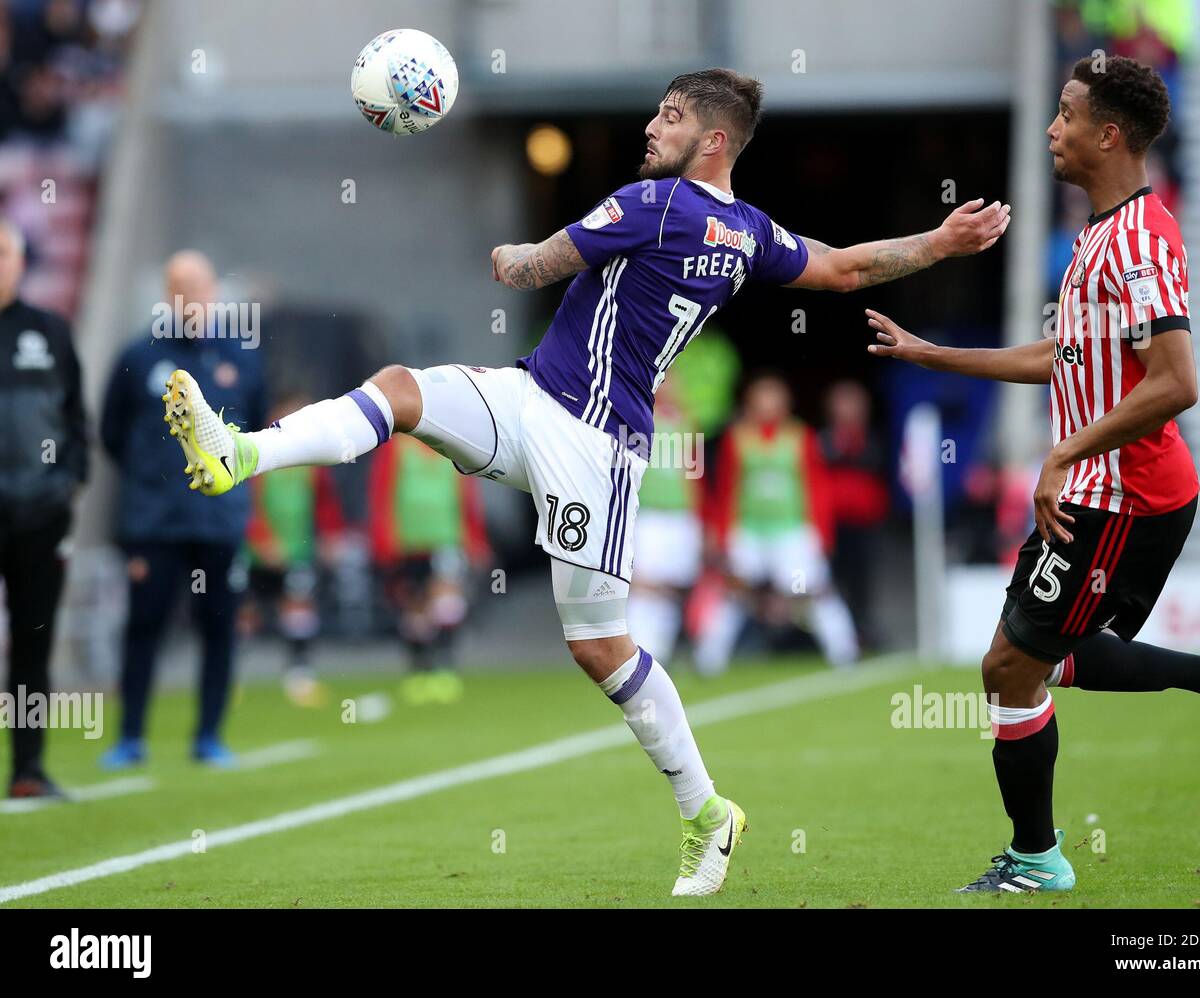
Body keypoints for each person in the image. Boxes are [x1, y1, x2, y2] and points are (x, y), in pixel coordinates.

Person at [152, 69, 1009, 895]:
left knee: (600, 647)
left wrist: (507, 252)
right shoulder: (746, 231)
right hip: (532, 395)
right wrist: (939, 243)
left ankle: (705, 811)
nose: (651, 126)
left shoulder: (652, 203)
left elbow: (533, 266)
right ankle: (240, 453)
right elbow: (844, 269)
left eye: (670, 116)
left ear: (712, 140)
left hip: (595, 446)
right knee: (400, 390)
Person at [865, 56, 1200, 894]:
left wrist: (1061, 454)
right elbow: (1064, 356)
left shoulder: (1140, 242)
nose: (1052, 129)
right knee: (1037, 657)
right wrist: (927, 352)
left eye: (1065, 114)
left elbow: (1177, 383)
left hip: (1126, 495)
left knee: (1011, 666)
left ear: (1108, 134)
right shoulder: (1097, 232)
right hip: (1102, 492)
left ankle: (1038, 857)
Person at [99, 251, 264, 769]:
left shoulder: (243, 356)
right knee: (144, 623)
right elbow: (111, 433)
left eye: (197, 285)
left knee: (218, 625)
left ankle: (209, 736)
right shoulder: (138, 356)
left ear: (214, 290)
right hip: (155, 523)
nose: (189, 295)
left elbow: (254, 433)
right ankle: (130, 738)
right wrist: (152, 483)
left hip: (219, 521)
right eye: (178, 286)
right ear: (165, 293)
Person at [0, 218, 88, 799]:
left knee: (33, 644)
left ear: (19, 259)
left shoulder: (49, 332)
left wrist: (64, 488)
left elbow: (78, 423)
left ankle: (28, 770)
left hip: (39, 521)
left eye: (2, 251)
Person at [695, 375, 859, 673]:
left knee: (813, 590)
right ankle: (709, 658)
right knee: (735, 592)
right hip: (749, 531)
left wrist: (821, 534)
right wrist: (722, 533)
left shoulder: (800, 437)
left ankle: (844, 652)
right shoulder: (737, 438)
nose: (767, 406)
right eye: (761, 399)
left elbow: (817, 487)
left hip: (791, 531)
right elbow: (727, 489)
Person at [241, 394, 346, 709]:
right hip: (255, 554)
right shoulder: (255, 454)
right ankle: (234, 678)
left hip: (296, 553)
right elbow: (245, 505)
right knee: (245, 613)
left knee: (298, 609)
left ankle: (299, 677)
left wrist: (331, 537)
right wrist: (261, 539)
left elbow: (326, 504)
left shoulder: (312, 463)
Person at [368, 433, 490, 706]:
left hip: (446, 538)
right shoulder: (396, 447)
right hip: (408, 542)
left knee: (447, 598)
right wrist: (383, 541)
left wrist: (475, 538)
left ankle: (445, 668)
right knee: (414, 607)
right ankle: (419, 670)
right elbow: (381, 492)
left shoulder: (452, 447)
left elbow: (467, 496)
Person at [625, 375, 704, 664]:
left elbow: (693, 475)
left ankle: (659, 652)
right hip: (647, 515)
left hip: (680, 517)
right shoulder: (633, 419)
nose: (670, 387)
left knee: (673, 584)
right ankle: (636, 651)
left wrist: (697, 518)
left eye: (674, 381)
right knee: (643, 581)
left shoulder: (688, 424)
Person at [818, 380, 889, 649]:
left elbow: (876, 466)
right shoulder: (823, 439)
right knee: (830, 580)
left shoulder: (873, 438)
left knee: (862, 580)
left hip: (864, 523)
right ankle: (837, 637)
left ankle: (862, 631)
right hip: (833, 523)